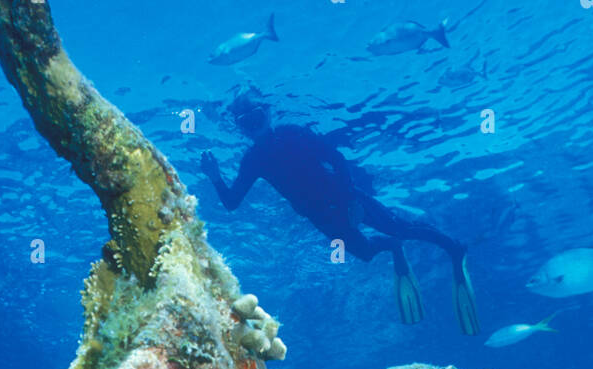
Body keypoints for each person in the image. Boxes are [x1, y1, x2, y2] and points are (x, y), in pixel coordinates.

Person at [200, 96, 480, 334]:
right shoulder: (252, 160)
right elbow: (232, 202)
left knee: (400, 227)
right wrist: (215, 178)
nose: (254, 125)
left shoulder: (293, 133)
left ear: (268, 113)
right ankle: (393, 248)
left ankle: (455, 249)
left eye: (256, 117)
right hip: (321, 218)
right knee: (367, 253)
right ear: (241, 129)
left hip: (346, 198)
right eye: (246, 122)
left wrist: (351, 201)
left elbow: (337, 159)